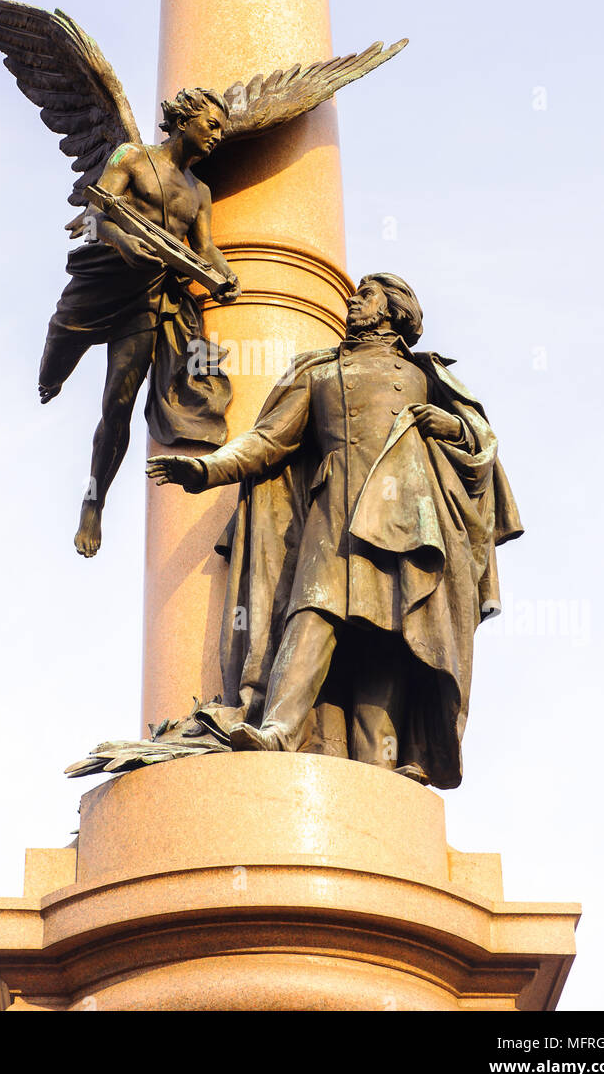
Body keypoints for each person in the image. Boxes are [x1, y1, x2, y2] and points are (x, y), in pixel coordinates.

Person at [146, 273, 523, 789]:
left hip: (411, 516)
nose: (352, 301)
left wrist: (450, 425)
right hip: (335, 512)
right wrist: (208, 469)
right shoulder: (319, 370)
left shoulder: (426, 373)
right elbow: (269, 440)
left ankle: (382, 766)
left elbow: (482, 442)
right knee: (313, 609)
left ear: (394, 311)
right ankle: (279, 728)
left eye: (366, 296)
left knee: (393, 635)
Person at [41, 87, 240, 556]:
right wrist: (123, 242)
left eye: (222, 130)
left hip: (149, 297)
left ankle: (94, 502)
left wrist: (225, 273)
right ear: (184, 120)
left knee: (118, 404)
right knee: (56, 351)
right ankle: (53, 374)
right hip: (106, 276)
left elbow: (204, 248)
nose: (218, 136)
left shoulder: (201, 192)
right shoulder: (132, 157)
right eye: (211, 125)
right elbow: (93, 218)